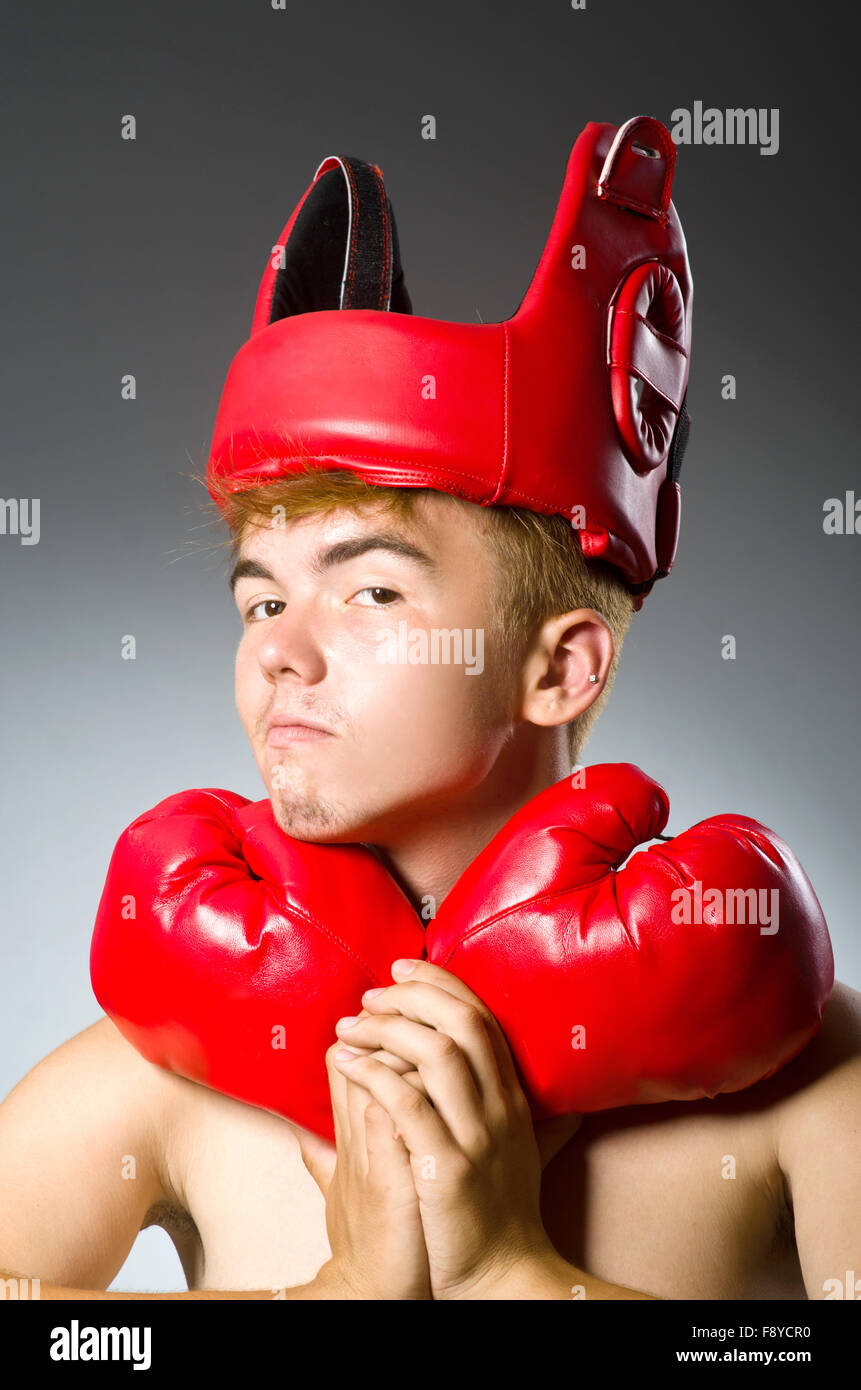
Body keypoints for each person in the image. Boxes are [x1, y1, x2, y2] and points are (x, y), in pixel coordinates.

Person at [2, 479, 859, 1300]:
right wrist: (334, 1298)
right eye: (264, 603)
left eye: (372, 594)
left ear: (560, 668)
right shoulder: (164, 1060)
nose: (277, 652)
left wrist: (510, 1276)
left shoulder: (809, 1068)